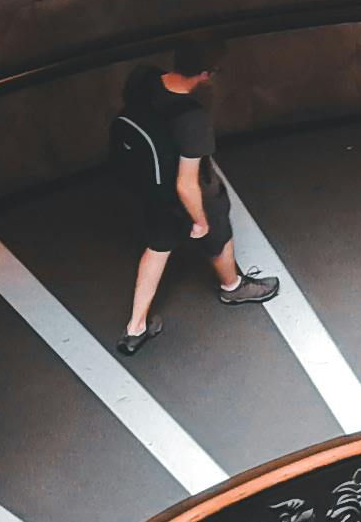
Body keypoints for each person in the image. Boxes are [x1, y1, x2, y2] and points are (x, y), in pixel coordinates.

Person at [115, 40, 280, 354]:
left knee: (157, 246)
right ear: (205, 74)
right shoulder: (192, 118)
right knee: (219, 235)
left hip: (152, 186)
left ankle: (135, 327)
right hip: (184, 191)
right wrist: (200, 220)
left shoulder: (144, 78)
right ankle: (233, 287)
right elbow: (186, 184)